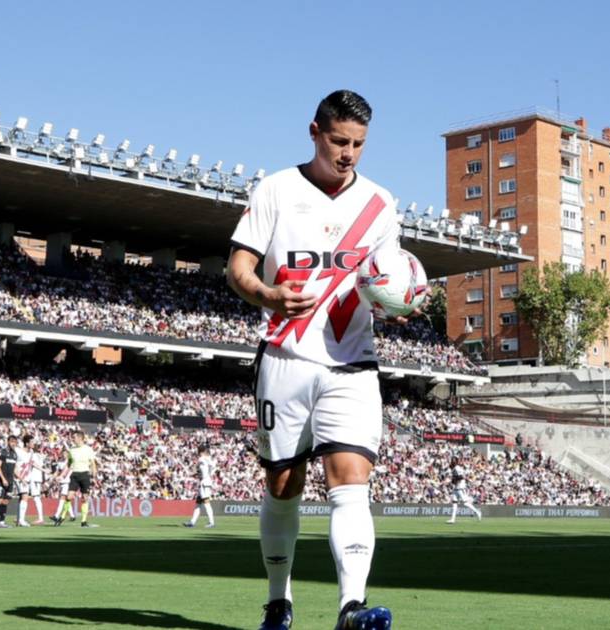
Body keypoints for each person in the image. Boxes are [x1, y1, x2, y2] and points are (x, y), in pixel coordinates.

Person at [227, 90, 410, 630]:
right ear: (314, 131)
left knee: (350, 481)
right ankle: (279, 601)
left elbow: (386, 276)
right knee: (283, 487)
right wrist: (267, 294)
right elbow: (238, 267)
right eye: (338, 141)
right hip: (285, 358)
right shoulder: (276, 190)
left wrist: (394, 304)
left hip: (352, 363)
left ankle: (351, 608)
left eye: (358, 144)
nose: (349, 152)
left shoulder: (381, 204)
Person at [53, 431, 97, 528]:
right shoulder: (72, 450)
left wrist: (94, 476)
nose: (72, 439)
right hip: (75, 475)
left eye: (74, 437)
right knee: (69, 497)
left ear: (80, 438)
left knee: (85, 498)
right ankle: (62, 517)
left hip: (85, 474)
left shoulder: (88, 449)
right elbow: (69, 464)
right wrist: (62, 475)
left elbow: (93, 463)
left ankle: (84, 521)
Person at [184, 444, 216, 528]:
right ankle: (192, 522)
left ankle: (211, 522)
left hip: (205, 482)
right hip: (205, 481)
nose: (198, 454)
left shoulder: (202, 459)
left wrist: (192, 472)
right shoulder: (210, 460)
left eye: (198, 452)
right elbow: (205, 471)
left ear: (201, 452)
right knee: (198, 502)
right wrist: (196, 474)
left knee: (206, 502)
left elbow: (199, 468)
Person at [446, 458, 482, 524]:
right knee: (454, 503)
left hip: (461, 487)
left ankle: (477, 512)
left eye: (453, 461)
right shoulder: (454, 467)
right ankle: (452, 519)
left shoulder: (457, 468)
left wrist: (454, 481)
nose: (452, 462)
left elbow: (461, 477)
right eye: (452, 460)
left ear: (456, 462)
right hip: (456, 487)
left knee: (465, 503)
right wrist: (453, 481)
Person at [0, 435, 18, 529]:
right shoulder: (3, 452)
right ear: (8, 442)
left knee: (6, 501)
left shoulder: (15, 454)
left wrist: (20, 478)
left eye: (15, 442)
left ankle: (2, 522)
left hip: (11, 482)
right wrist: (3, 479)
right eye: (12, 441)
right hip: (2, 481)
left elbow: (14, 469)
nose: (13, 443)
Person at [14, 434, 36, 527]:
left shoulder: (31, 452)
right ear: (27, 443)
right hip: (19, 477)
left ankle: (19, 520)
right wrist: (20, 478)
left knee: (22, 498)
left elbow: (31, 463)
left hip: (26, 478)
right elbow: (14, 466)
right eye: (32, 442)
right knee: (25, 497)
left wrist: (43, 470)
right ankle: (22, 520)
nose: (34, 444)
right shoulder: (18, 451)